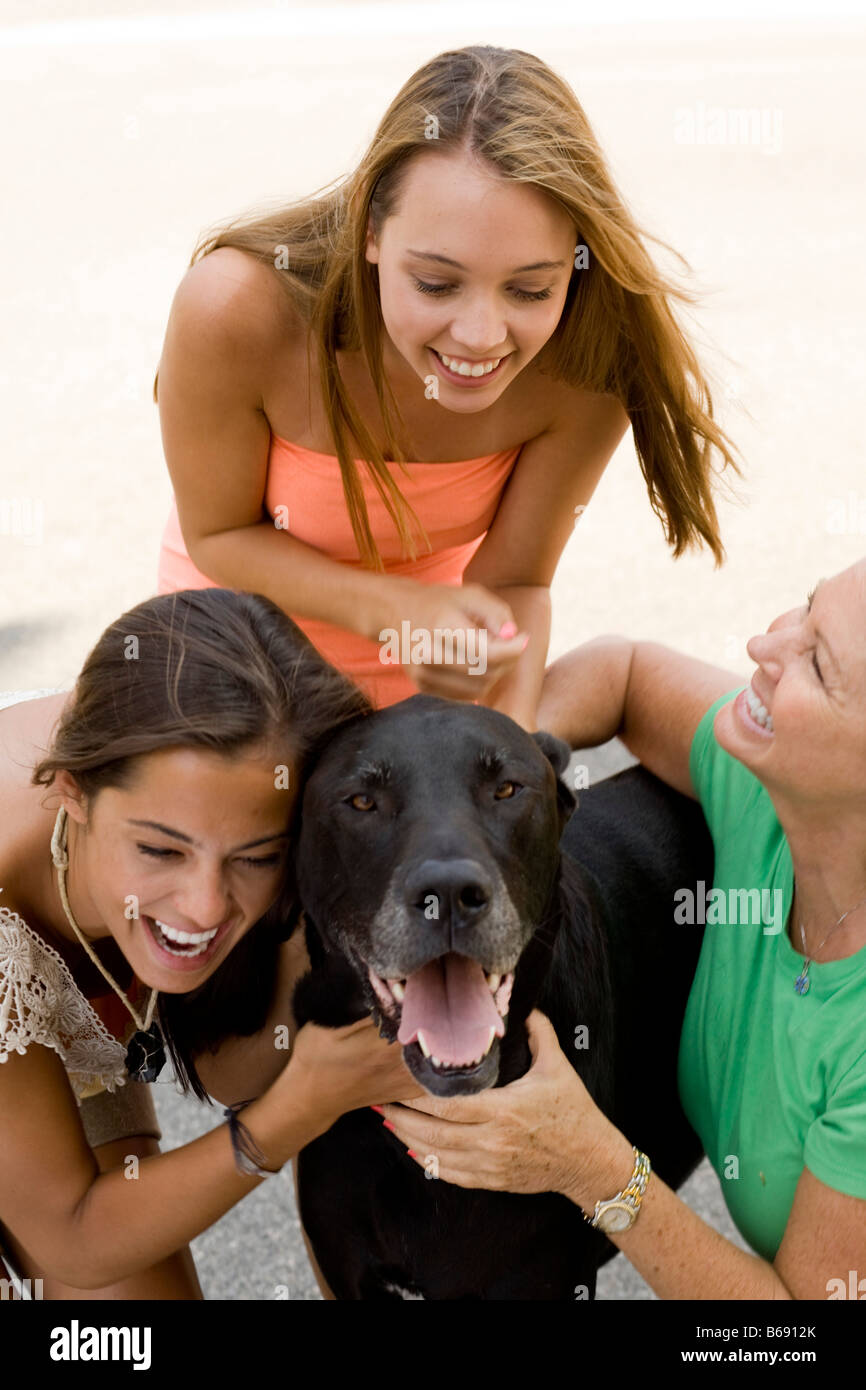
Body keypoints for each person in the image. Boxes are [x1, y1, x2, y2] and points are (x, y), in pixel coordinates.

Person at [153, 43, 739, 726]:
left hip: (423, 708)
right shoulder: (235, 309)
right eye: (436, 283)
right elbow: (219, 535)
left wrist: (503, 743)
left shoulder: (587, 365)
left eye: (530, 288)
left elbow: (517, 583)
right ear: (370, 230)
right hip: (227, 675)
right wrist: (397, 612)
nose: (481, 334)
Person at [378, 559, 866, 1299]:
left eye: (817, 664)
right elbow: (625, 673)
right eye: (803, 609)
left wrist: (597, 1168)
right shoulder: (762, 789)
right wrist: (487, 784)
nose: (767, 645)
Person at [0, 588, 422, 1299]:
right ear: (71, 792)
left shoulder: (179, 734)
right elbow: (73, 1237)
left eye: (256, 857)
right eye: (161, 851)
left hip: (62, 1001)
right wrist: (299, 1108)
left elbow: (236, 1066)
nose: (205, 907)